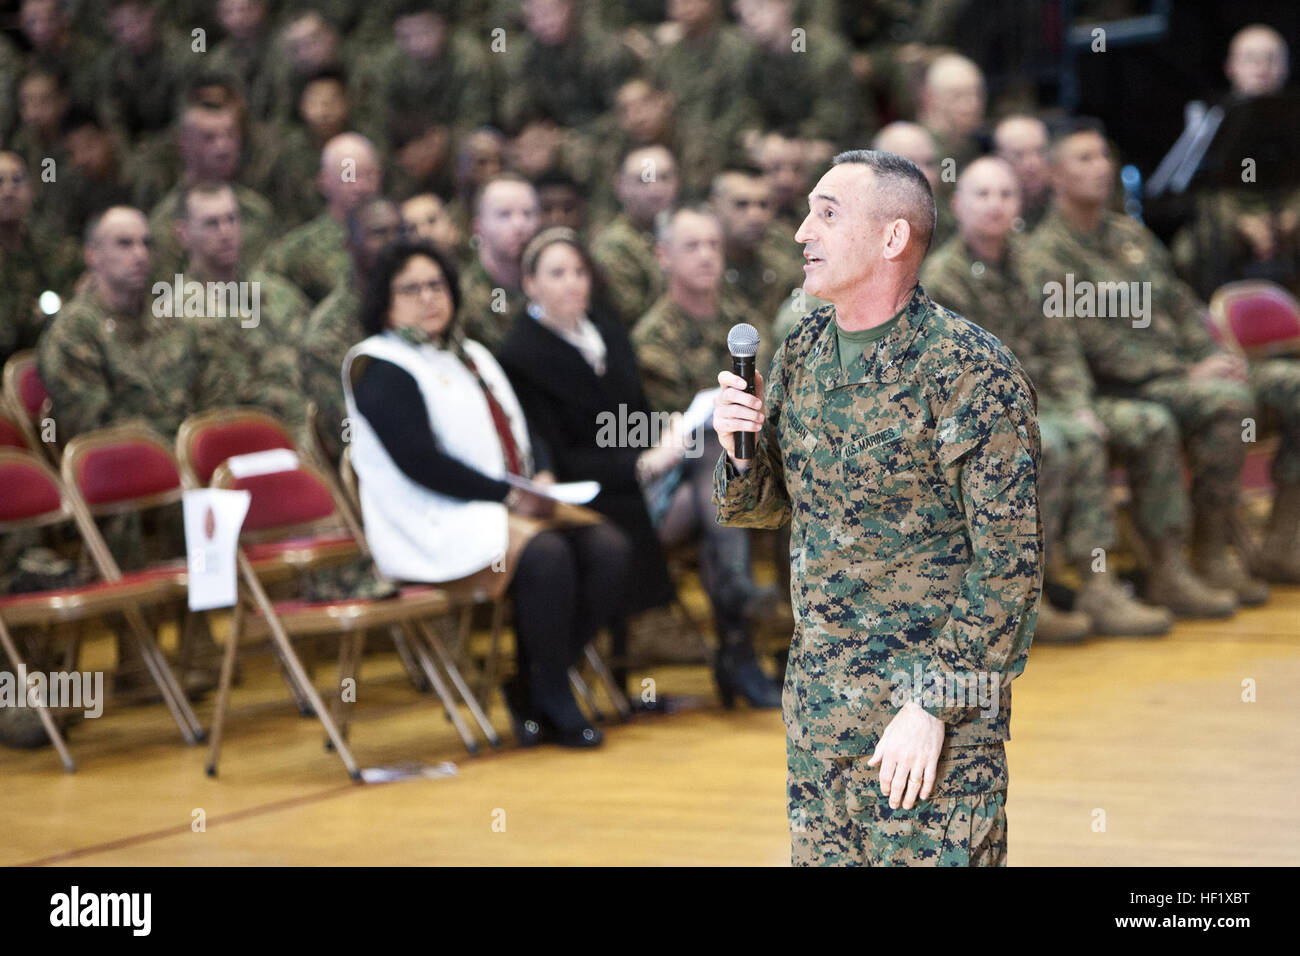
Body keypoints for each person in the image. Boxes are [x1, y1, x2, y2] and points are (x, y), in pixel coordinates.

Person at [712, 150, 1042, 866]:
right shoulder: (802, 352)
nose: (802, 232)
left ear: (893, 239)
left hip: (933, 728)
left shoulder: (968, 372)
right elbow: (771, 508)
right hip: (823, 716)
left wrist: (932, 705)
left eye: (827, 214)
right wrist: (740, 451)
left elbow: (1010, 570)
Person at [343, 241, 631, 747]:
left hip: (500, 503)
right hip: (432, 517)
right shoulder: (379, 366)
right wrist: (507, 494)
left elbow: (524, 428)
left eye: (436, 285)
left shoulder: (470, 352)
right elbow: (420, 463)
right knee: (547, 555)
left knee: (609, 549)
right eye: (410, 289)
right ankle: (553, 694)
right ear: (385, 302)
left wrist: (538, 470)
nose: (428, 298)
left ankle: (533, 680)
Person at [1025, 120, 1300, 592]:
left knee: (1291, 386)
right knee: (1225, 402)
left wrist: (1215, 354)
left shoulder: (1130, 236)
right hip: (1125, 386)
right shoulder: (1045, 254)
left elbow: (1182, 305)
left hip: (1186, 373)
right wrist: (1187, 370)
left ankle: (1282, 542)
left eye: (1103, 157)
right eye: (1084, 159)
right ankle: (1207, 553)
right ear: (1054, 175)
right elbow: (1086, 341)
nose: (1101, 168)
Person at [921, 157, 1182, 634]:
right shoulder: (944, 276)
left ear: (1019, 204)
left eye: (1005, 194)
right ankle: (1022, 600)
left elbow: (1062, 347)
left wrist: (1080, 404)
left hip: (1048, 402)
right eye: (982, 194)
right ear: (957, 205)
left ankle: (1096, 585)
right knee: (1054, 445)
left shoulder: (1035, 263)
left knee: (1086, 435)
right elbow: (957, 372)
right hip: (983, 409)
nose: (995, 205)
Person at [497, 227, 678, 697]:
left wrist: (667, 435)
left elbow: (632, 416)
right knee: (615, 537)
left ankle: (733, 634)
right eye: (557, 273)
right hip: (580, 486)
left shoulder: (609, 335)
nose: (574, 283)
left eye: (580, 272)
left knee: (708, 460)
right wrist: (639, 466)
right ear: (530, 283)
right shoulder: (520, 354)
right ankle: (549, 673)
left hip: (634, 471)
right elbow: (553, 454)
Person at [633, 204, 781, 709]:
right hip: (672, 476)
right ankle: (740, 639)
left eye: (714, 245)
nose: (706, 256)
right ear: (663, 256)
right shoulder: (652, 336)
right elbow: (660, 433)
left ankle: (746, 643)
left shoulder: (742, 325)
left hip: (734, 475)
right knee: (711, 454)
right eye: (691, 246)